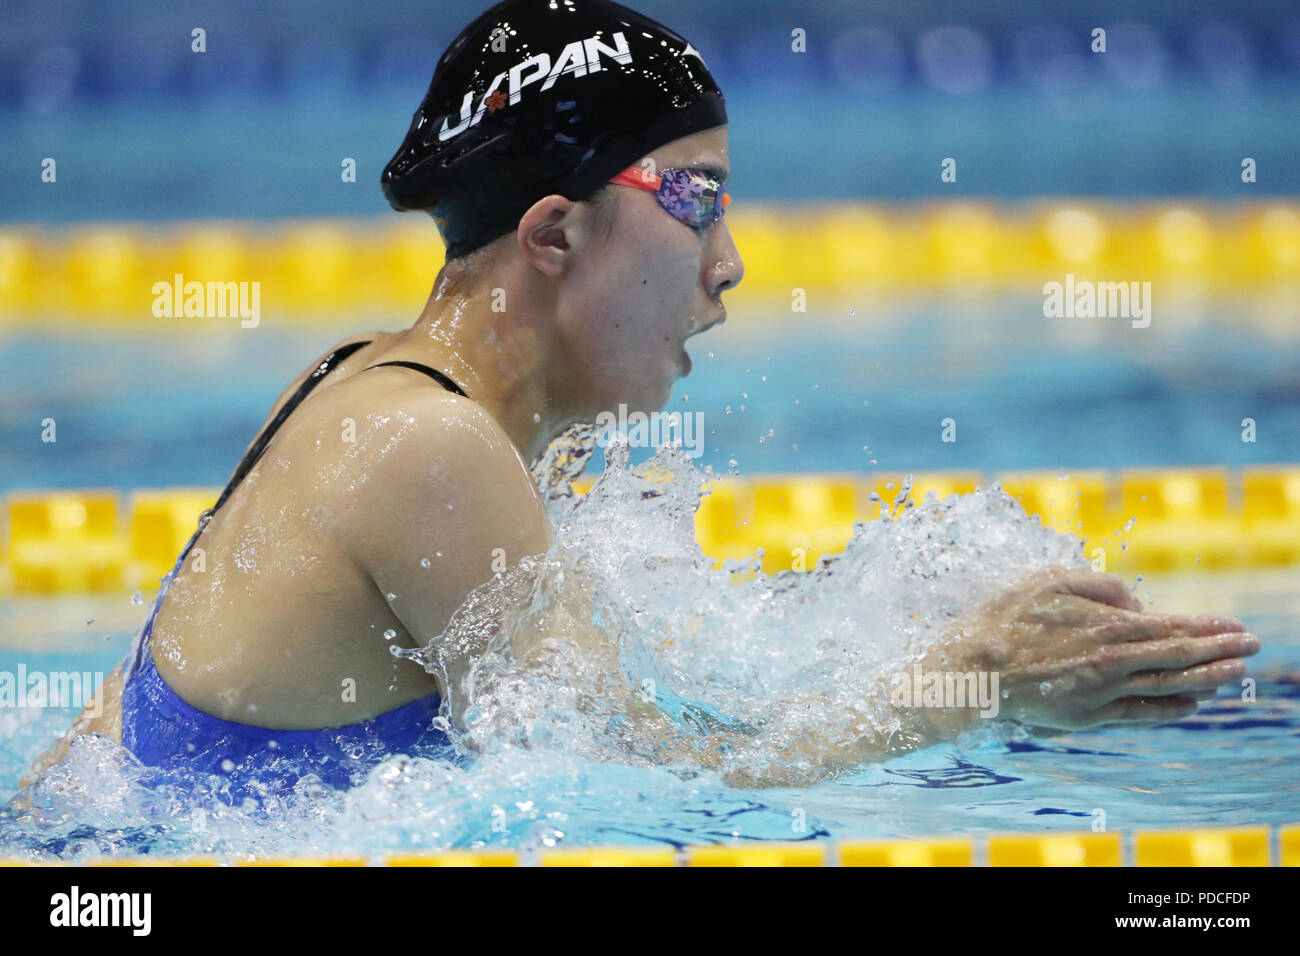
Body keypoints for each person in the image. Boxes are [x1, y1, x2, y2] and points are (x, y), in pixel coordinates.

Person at [26, 0, 1258, 795]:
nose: (729, 263)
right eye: (698, 197)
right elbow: (645, 782)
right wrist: (973, 674)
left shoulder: (364, 385)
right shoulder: (422, 442)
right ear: (554, 232)